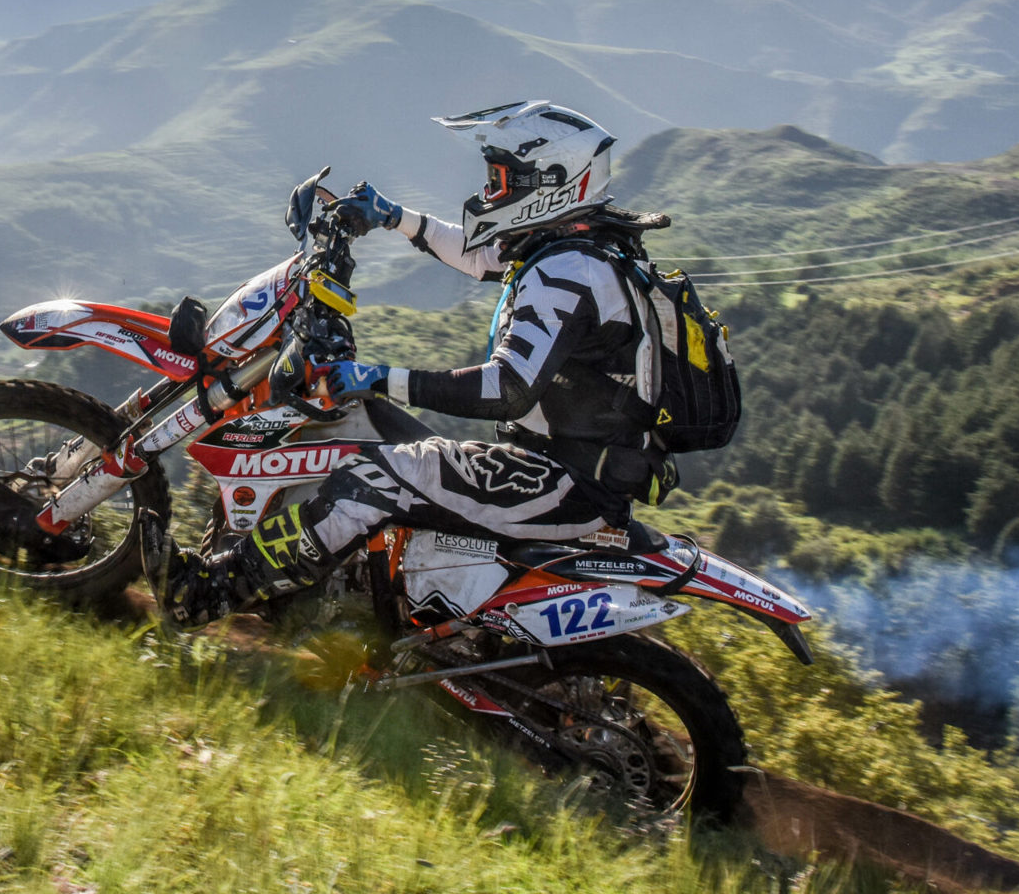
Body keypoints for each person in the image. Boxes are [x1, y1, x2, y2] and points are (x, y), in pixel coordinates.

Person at [157, 100, 676, 627]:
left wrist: (378, 377)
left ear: (550, 183)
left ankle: (211, 592)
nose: (490, 193)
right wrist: (393, 216)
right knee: (369, 429)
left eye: (501, 179)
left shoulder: (567, 271)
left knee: (372, 481)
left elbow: (507, 389)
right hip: (566, 467)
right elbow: (477, 256)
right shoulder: (574, 247)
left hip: (565, 484)